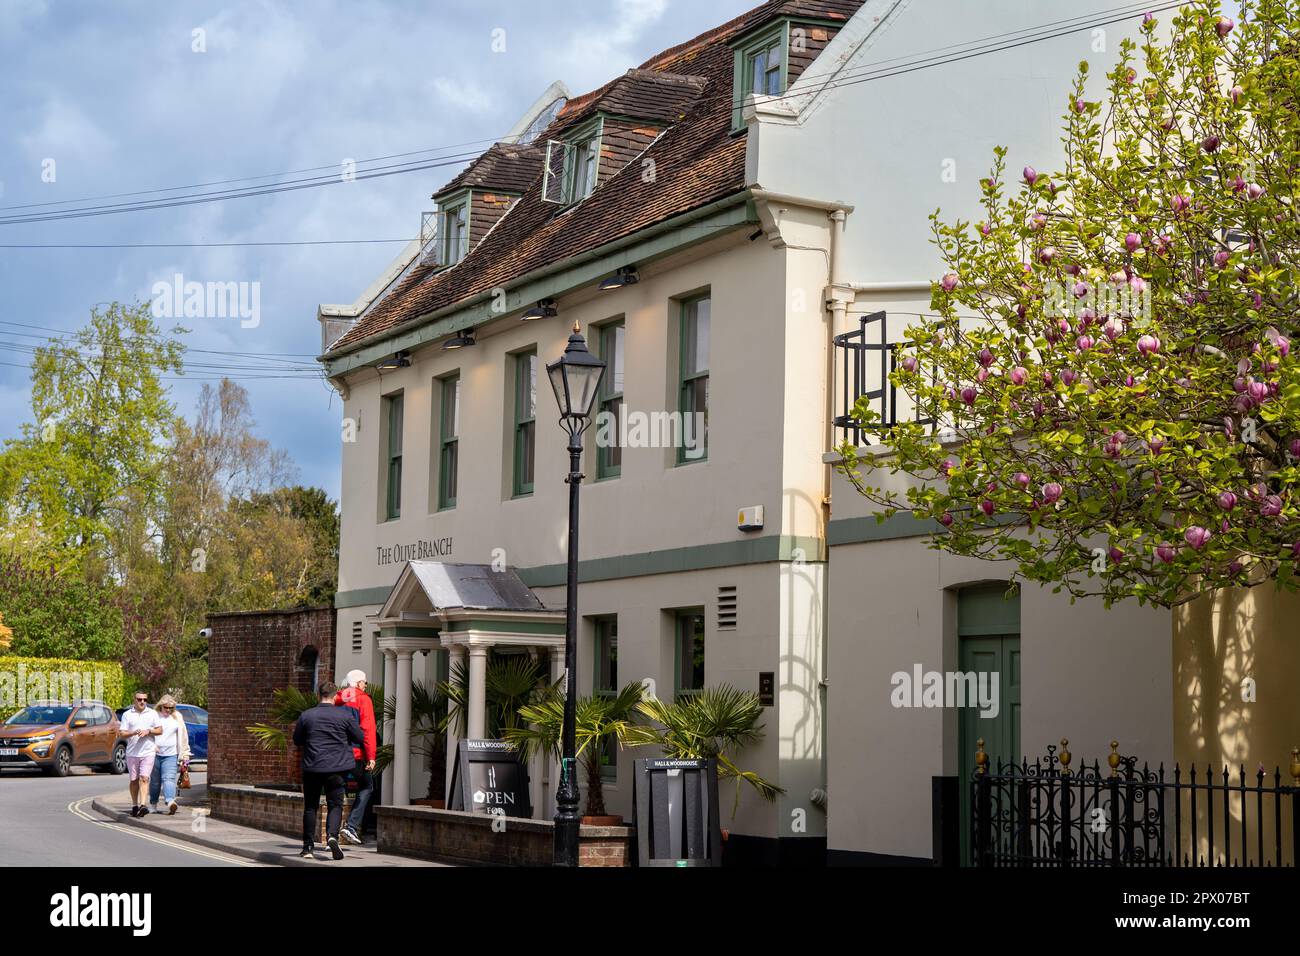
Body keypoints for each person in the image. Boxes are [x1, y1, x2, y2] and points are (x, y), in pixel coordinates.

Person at [293, 681, 363, 860]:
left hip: (312, 767)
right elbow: (359, 737)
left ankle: (308, 848)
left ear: (319, 695)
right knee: (335, 804)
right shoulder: (344, 716)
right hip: (337, 768)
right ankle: (332, 836)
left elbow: (297, 740)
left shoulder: (307, 715)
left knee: (310, 807)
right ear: (335, 696)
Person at [336, 669, 377, 846]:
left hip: (335, 754)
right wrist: (371, 756)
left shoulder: (337, 699)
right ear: (359, 683)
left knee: (336, 791)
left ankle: (332, 832)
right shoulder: (363, 699)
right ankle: (351, 826)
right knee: (367, 786)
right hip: (355, 754)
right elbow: (367, 730)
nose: (366, 686)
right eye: (365, 683)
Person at [117, 693, 162, 817]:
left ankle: (143, 805)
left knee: (144, 778)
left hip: (148, 751)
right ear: (134, 700)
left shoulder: (152, 713)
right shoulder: (127, 715)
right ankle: (134, 805)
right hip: (132, 752)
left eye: (145, 699)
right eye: (139, 699)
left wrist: (148, 731)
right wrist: (133, 733)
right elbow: (122, 733)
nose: (142, 701)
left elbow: (160, 730)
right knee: (134, 780)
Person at [148, 695, 192, 815]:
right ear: (161, 706)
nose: (168, 710)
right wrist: (152, 746)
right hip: (154, 754)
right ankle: (153, 804)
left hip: (171, 754)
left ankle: (170, 801)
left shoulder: (177, 716)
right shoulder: (153, 715)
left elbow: (183, 736)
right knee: (155, 782)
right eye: (166, 707)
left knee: (169, 778)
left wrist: (185, 755)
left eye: (171, 708)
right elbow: (147, 732)